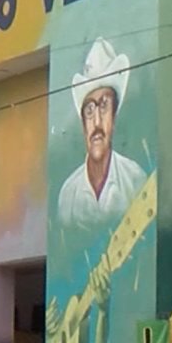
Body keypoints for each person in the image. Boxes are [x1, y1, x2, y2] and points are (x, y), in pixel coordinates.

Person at [57, 38, 148, 231]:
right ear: (82, 123)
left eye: (104, 106)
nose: (97, 122)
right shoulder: (68, 196)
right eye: (89, 110)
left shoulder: (136, 181)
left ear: (114, 116)